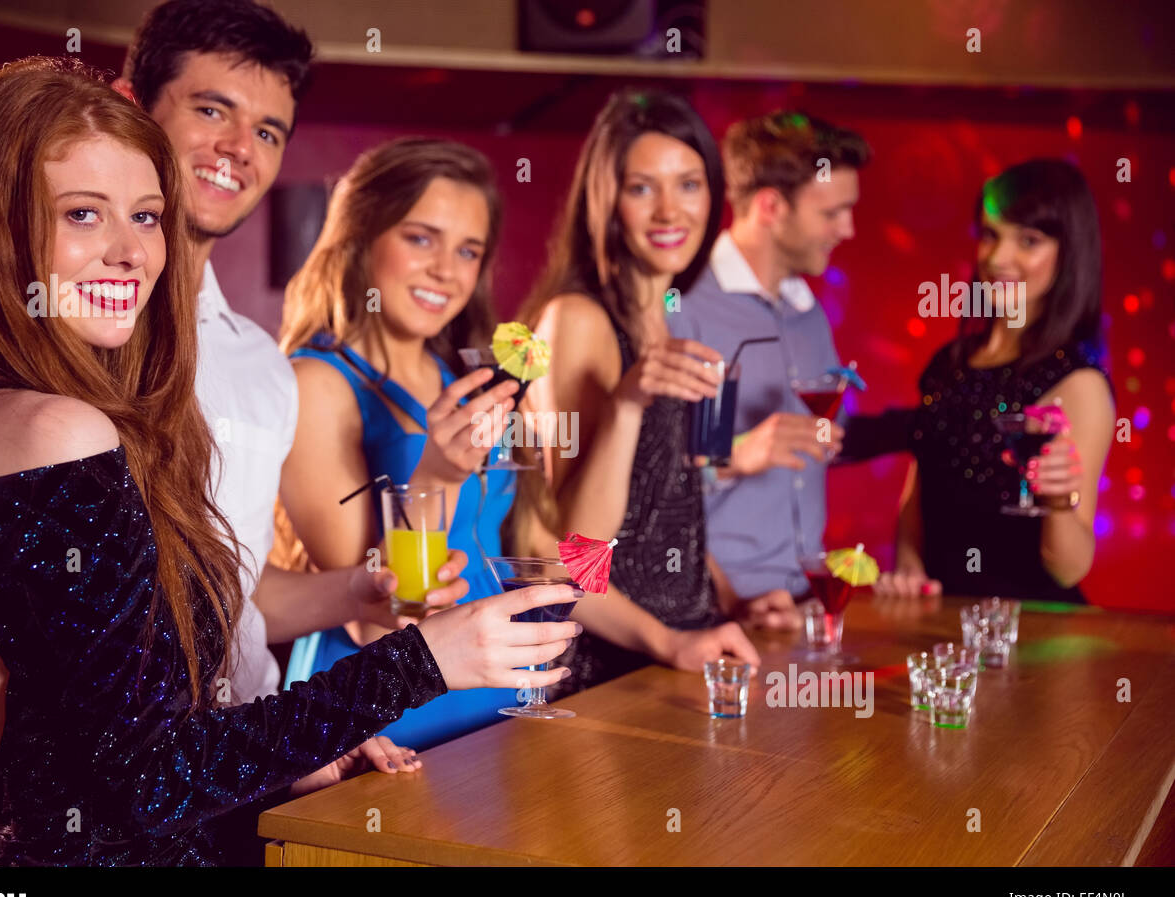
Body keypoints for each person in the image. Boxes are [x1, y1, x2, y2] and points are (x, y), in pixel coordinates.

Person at [0, 56, 577, 867]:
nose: (129, 252)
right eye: (81, 214)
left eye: (145, 217)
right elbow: (143, 782)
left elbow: (106, 752)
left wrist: (280, 761)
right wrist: (428, 660)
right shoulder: (49, 431)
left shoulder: (6, 412)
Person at [111, 0, 471, 712]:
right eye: (213, 111)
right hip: (118, 789)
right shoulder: (51, 334)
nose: (241, 148)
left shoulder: (261, 368)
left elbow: (245, 595)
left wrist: (361, 590)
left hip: (255, 753)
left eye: (268, 130)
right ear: (129, 108)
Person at [276, 137, 526, 749]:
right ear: (363, 237)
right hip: (385, 706)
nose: (447, 270)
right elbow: (380, 603)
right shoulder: (317, 381)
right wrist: (438, 473)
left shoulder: (462, 378)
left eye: (468, 250)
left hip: (500, 697)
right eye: (421, 238)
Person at [514, 89, 760, 694]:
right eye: (642, 187)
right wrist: (626, 405)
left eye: (690, 184)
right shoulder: (577, 319)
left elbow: (662, 513)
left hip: (689, 644)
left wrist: (737, 600)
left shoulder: (664, 318)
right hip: (616, 664)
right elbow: (570, 552)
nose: (670, 211)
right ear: (607, 202)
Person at [874, 158, 1113, 601]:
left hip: (1028, 636)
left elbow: (1069, 568)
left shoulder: (1077, 384)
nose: (999, 258)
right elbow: (917, 493)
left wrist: (1058, 501)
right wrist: (907, 567)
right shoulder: (951, 362)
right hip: (940, 628)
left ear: (1069, 251)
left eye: (1029, 240)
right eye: (990, 235)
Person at [669, 111, 868, 631]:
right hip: (713, 614)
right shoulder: (681, 305)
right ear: (771, 206)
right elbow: (644, 487)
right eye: (833, 212)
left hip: (799, 605)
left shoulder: (809, 313)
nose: (848, 229)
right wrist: (739, 453)